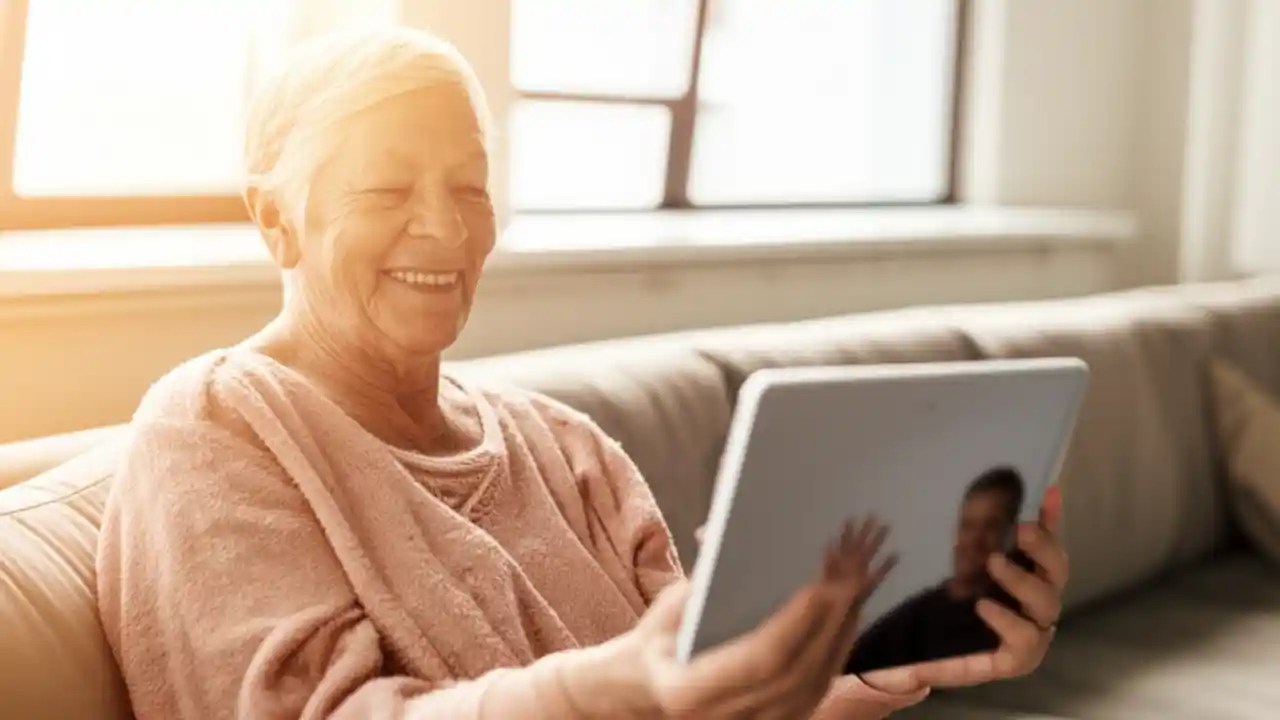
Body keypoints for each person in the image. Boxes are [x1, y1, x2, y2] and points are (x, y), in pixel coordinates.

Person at [95, 27, 1068, 720]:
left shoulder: (566, 448)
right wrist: (620, 684)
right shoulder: (216, 427)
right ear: (274, 218)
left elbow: (711, 698)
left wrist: (897, 654)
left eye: (469, 187)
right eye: (387, 188)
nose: (443, 227)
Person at [846, 467, 1044, 675]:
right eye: (967, 526)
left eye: (991, 527)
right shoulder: (913, 620)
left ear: (1012, 534)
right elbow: (846, 671)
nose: (974, 540)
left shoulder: (1024, 603)